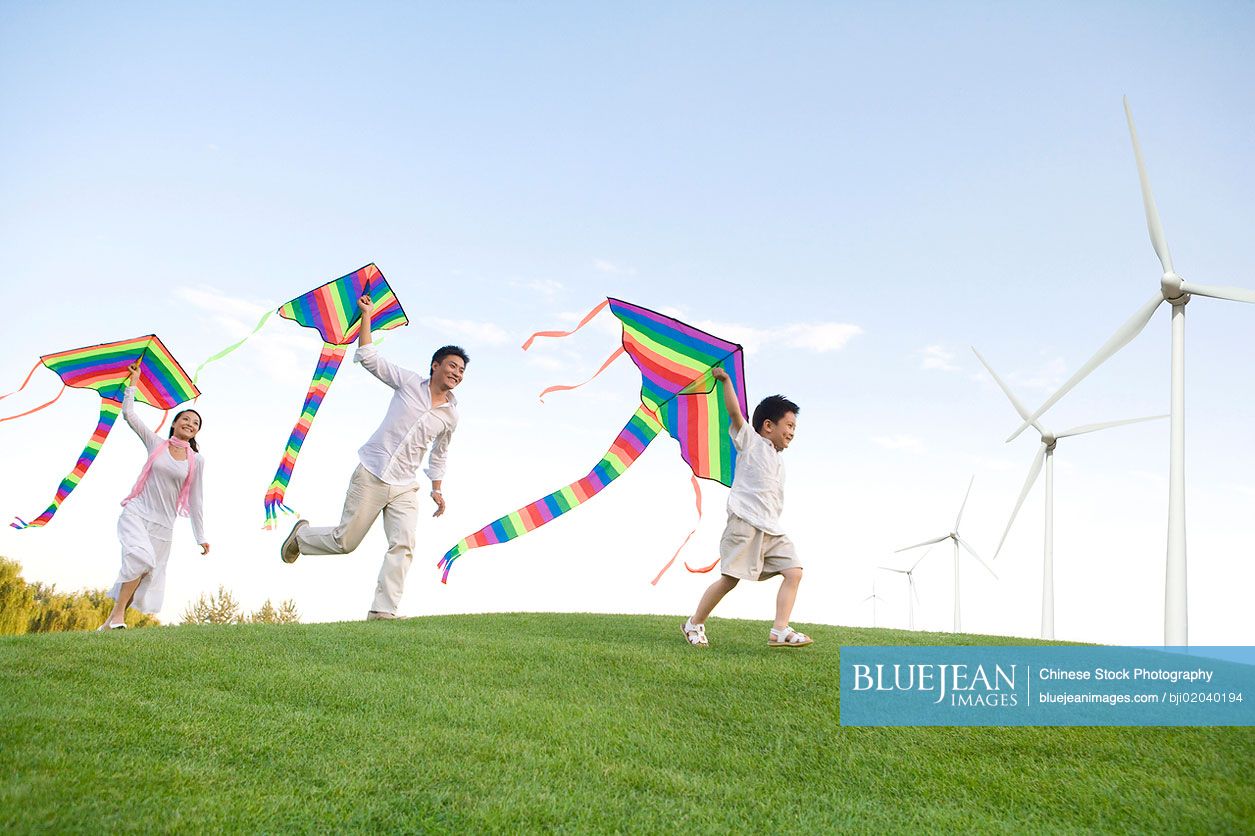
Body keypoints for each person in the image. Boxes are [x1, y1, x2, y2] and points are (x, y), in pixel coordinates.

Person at [280, 294, 466, 620]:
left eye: (462, 370)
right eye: (452, 365)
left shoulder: (451, 415)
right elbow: (368, 357)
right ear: (435, 365)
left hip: (405, 487)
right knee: (345, 542)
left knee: (403, 545)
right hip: (373, 473)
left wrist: (436, 489)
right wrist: (366, 314)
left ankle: (383, 612)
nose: (457, 373)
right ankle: (301, 536)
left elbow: (440, 454)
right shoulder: (409, 382)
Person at [681, 367, 810, 648]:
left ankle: (779, 630)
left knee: (794, 571)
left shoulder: (778, 459)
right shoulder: (751, 441)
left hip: (771, 530)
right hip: (744, 524)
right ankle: (694, 622)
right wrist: (726, 381)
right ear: (767, 425)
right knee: (730, 580)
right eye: (788, 426)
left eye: (794, 428)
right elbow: (735, 413)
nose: (791, 433)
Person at [100, 361, 209, 629]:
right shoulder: (156, 445)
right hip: (137, 512)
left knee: (145, 569)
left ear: (196, 431)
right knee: (141, 557)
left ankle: (113, 619)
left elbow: (197, 501)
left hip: (163, 525)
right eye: (185, 419)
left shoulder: (196, 461)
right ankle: (117, 617)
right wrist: (133, 384)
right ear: (174, 423)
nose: (190, 424)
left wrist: (201, 536)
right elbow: (129, 415)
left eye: (195, 423)